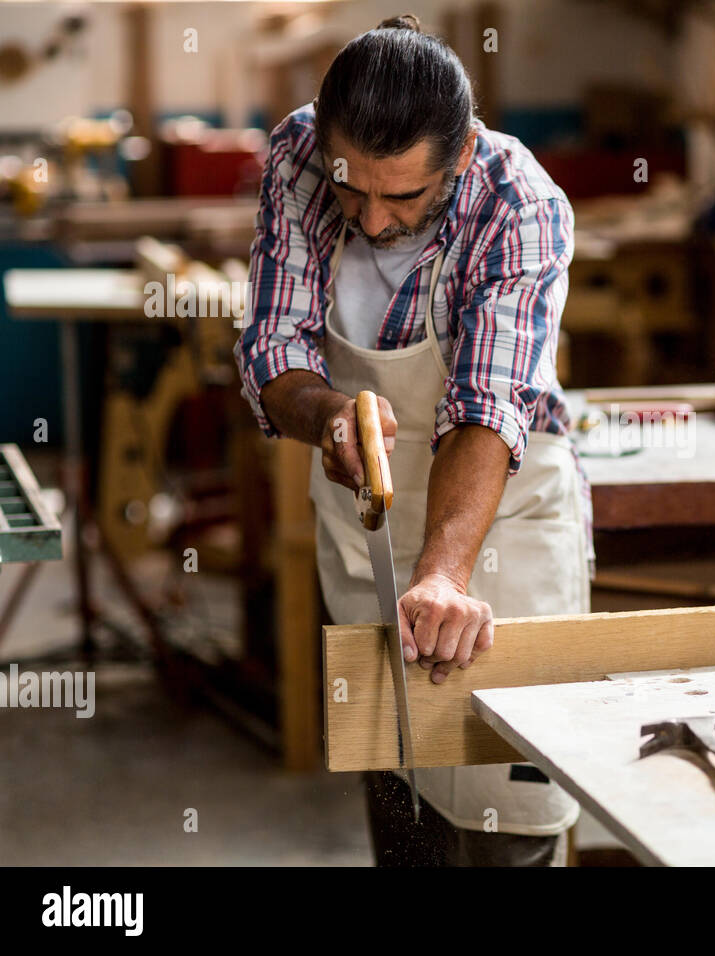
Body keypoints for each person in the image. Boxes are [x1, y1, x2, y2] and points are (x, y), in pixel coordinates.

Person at [232, 14, 592, 867]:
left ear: (461, 153)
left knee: (511, 804)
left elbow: (487, 404)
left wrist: (444, 572)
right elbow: (273, 346)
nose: (375, 219)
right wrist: (327, 417)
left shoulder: (522, 205)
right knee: (398, 784)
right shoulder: (297, 155)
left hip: (498, 510)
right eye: (353, 190)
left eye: (404, 197)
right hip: (366, 507)